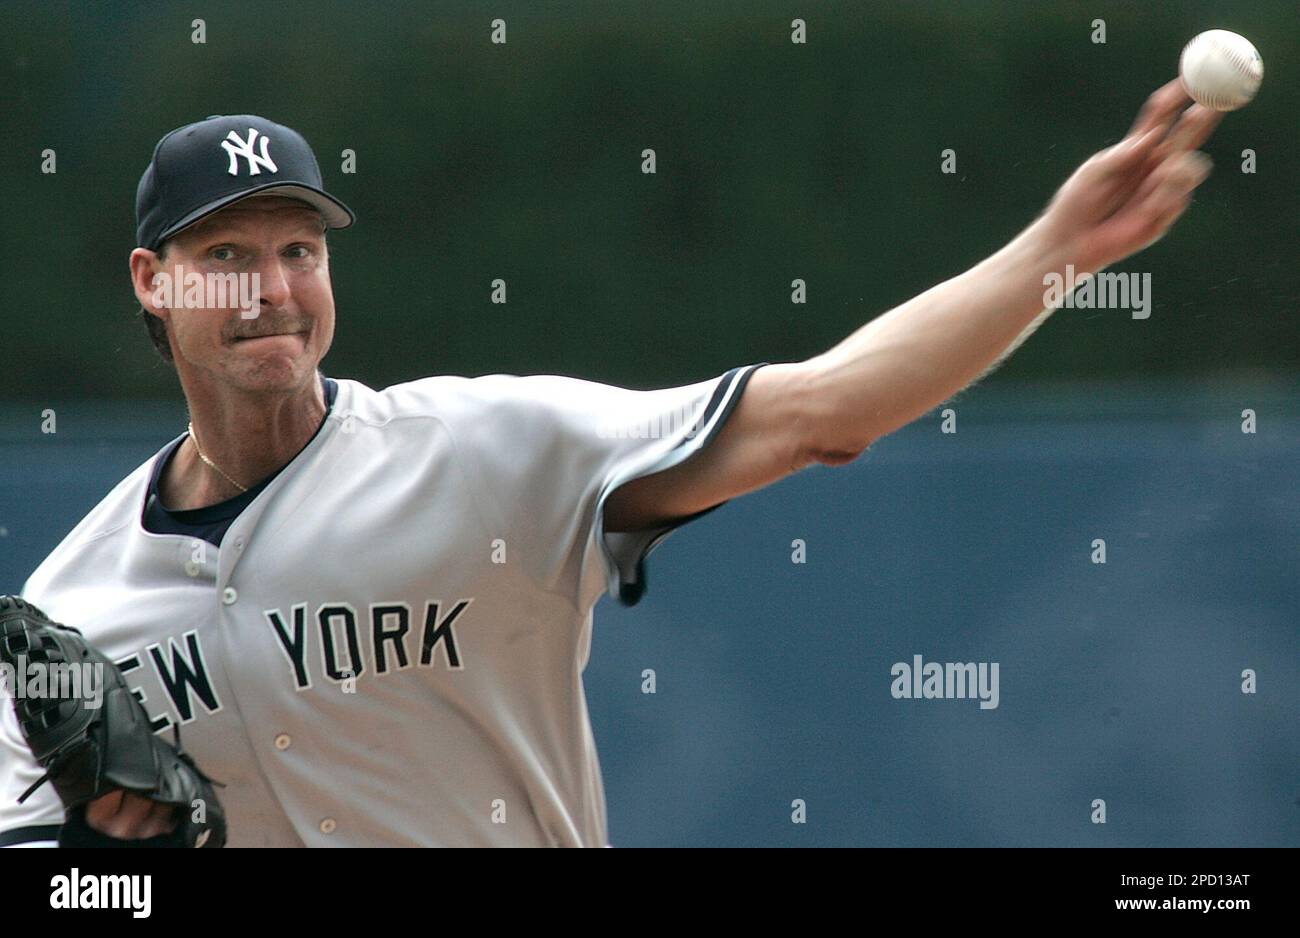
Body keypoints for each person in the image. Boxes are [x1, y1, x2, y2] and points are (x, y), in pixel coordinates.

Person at [0, 87, 1219, 847]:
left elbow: (825, 413)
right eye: (226, 252)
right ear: (151, 281)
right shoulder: (71, 609)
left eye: (299, 248)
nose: (274, 289)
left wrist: (1061, 248)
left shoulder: (487, 454)